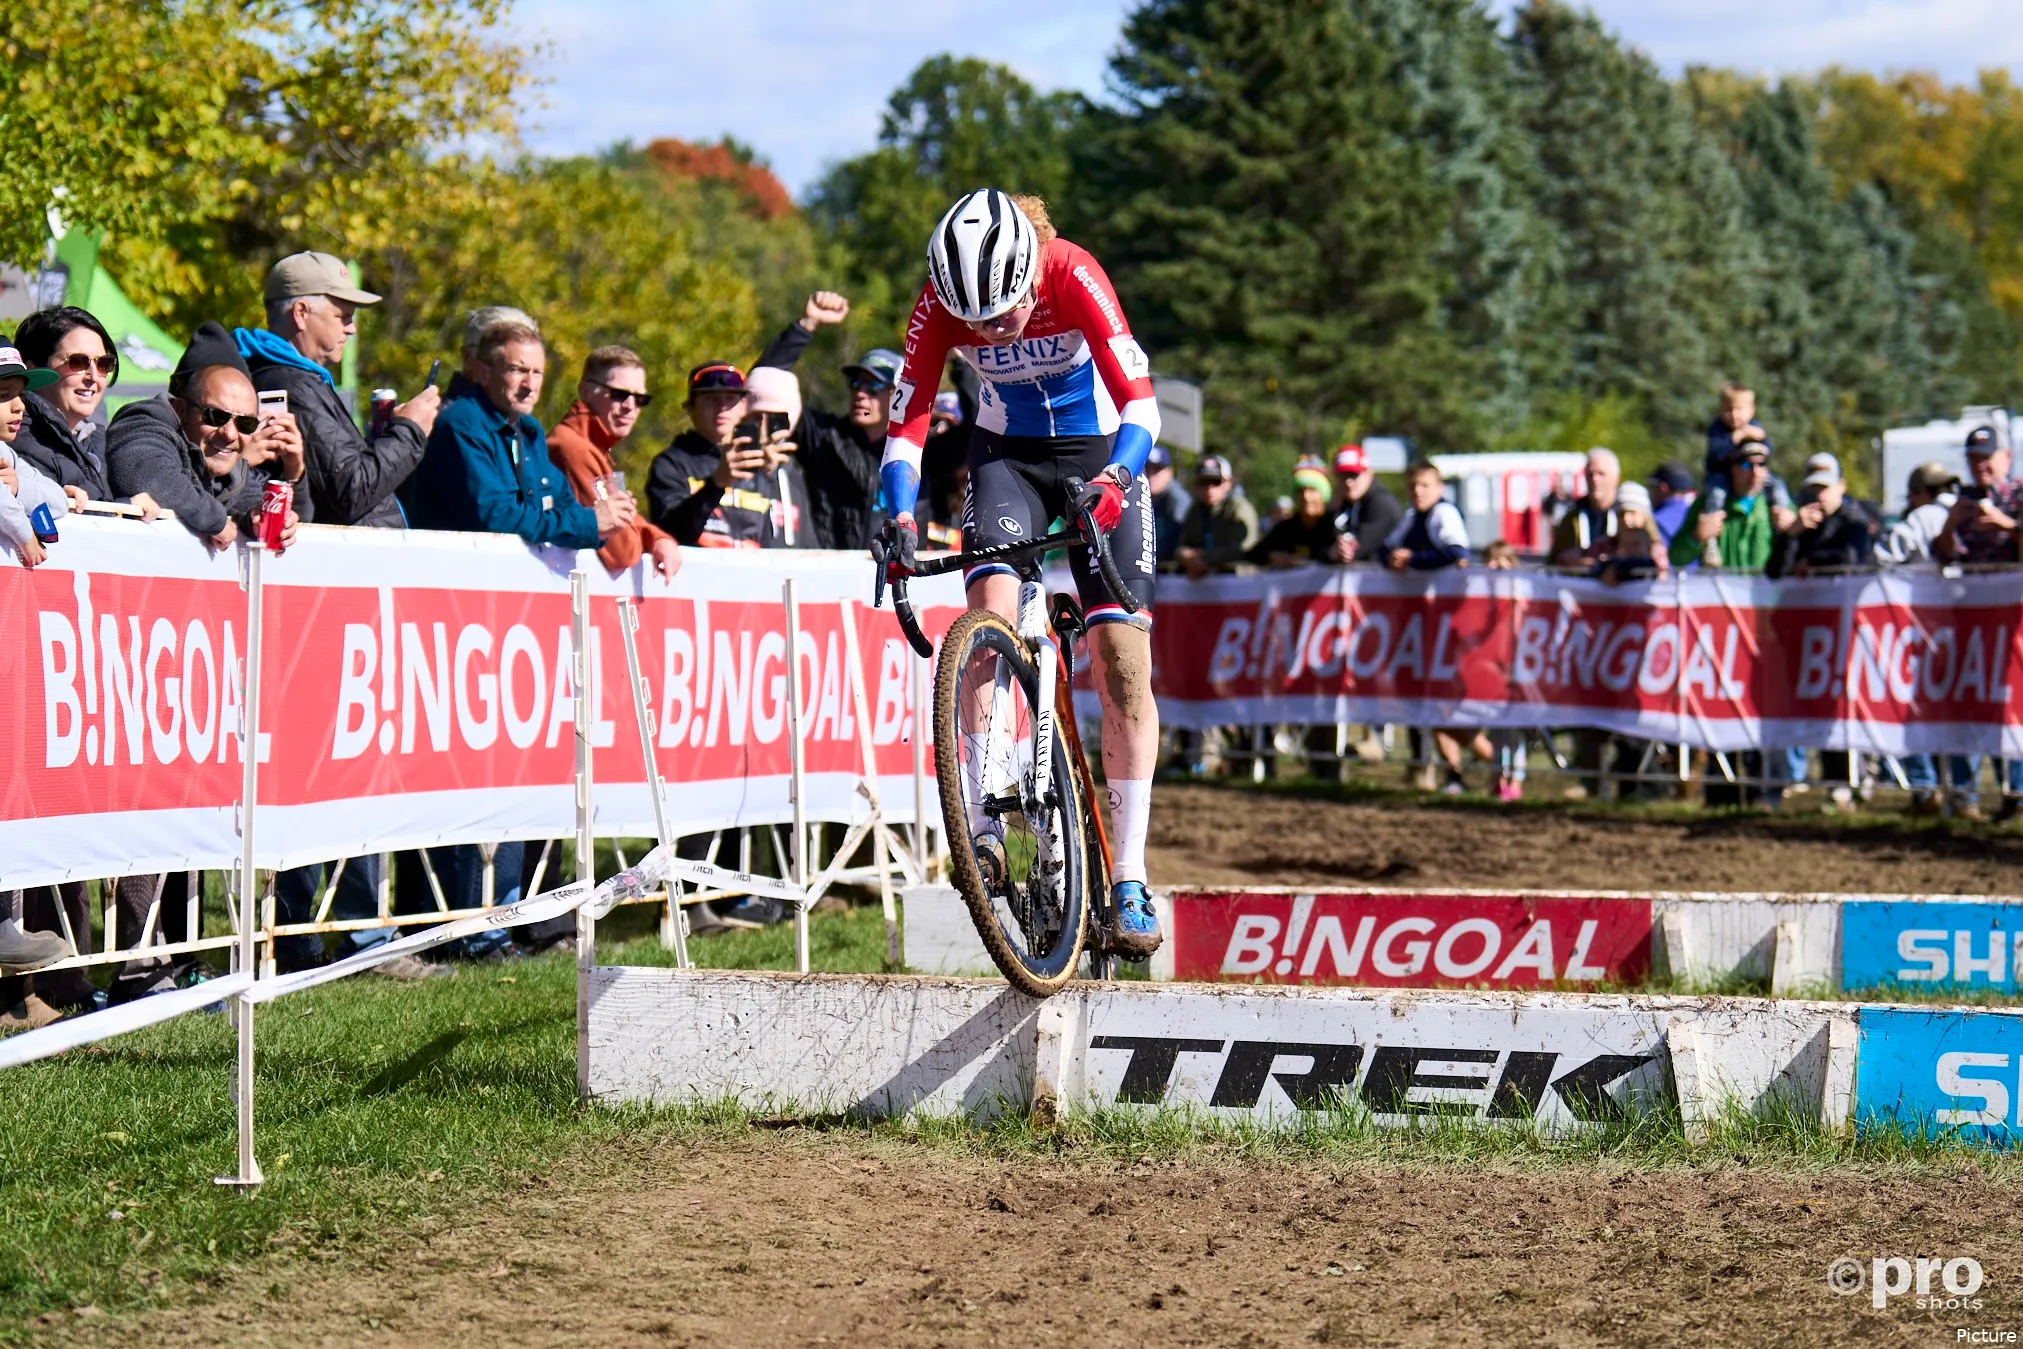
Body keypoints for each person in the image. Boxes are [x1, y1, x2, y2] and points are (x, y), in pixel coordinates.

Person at [872, 189, 1166, 956]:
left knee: (1122, 662)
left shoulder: (1071, 271)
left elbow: (1141, 403)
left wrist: (1116, 481)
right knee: (984, 627)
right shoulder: (941, 302)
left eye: (1002, 313)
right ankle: (987, 820)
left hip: (1102, 452)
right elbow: (905, 422)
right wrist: (896, 510)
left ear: (1031, 270)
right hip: (1006, 459)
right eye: (976, 323)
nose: (989, 331)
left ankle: (1130, 875)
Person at [409, 318, 637, 959]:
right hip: (453, 621)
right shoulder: (460, 424)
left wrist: (563, 521)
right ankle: (454, 928)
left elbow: (533, 509)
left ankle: (507, 918)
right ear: (481, 368)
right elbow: (497, 514)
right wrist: (581, 521)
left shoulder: (529, 431)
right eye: (515, 369)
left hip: (512, 627)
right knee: (459, 777)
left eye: (536, 371)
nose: (528, 382)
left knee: (513, 773)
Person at [236, 251, 436, 528]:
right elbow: (351, 493)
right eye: (343, 316)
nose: (352, 328)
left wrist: (384, 438)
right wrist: (409, 431)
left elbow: (338, 478)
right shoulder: (292, 385)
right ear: (301, 313)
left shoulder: (299, 379)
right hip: (352, 564)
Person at [106, 323, 306, 550]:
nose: (230, 433)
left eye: (246, 423)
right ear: (181, 409)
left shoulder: (228, 464)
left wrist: (257, 520)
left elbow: (250, 500)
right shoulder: (144, 420)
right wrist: (216, 520)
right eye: (215, 416)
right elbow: (147, 472)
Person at [548, 344, 681, 578]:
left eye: (640, 398)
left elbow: (625, 521)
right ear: (585, 392)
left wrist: (656, 537)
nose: (630, 406)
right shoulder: (572, 449)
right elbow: (622, 551)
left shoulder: (595, 448)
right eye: (619, 394)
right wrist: (641, 536)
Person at [12, 306, 157, 516]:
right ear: (33, 370)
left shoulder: (97, 441)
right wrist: (126, 510)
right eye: (77, 362)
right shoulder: (19, 437)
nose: (93, 376)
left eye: (103, 364)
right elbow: (52, 523)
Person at [0, 344, 69, 568]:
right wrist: (25, 536)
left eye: (20, 394)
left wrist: (19, 487)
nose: (19, 405)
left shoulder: (6, 453)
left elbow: (59, 501)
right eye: (4, 395)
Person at [1670, 443, 1784, 572]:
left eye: (1761, 464)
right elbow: (1676, 558)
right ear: (1733, 468)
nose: (1755, 472)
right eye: (1746, 465)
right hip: (1719, 589)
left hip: (1762, 590)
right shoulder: (1709, 503)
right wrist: (1696, 537)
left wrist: (1791, 532)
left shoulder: (1776, 505)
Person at [1768, 457, 1875, 579]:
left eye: (1825, 487)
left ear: (1841, 486)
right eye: (1814, 488)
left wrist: (1811, 563)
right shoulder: (1804, 523)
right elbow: (1774, 572)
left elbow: (1852, 559)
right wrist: (1790, 534)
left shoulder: (1855, 520)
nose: (1819, 495)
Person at [1936, 426, 2023, 566]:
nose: (1979, 466)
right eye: (1973, 459)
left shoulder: (2018, 493)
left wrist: (2008, 526)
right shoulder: (1964, 499)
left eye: (1986, 458)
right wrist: (1950, 525)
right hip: (1976, 585)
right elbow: (1950, 557)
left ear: (2007, 457)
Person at [1700, 383, 1790, 516]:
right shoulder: (1718, 429)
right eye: (1728, 409)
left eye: (1739, 409)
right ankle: (1713, 517)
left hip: (1751, 474)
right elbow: (1715, 454)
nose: (1733, 414)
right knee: (1717, 493)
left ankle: (1781, 511)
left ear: (1751, 410)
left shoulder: (1754, 427)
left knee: (1776, 484)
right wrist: (1733, 439)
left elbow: (1768, 453)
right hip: (1721, 475)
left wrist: (1762, 438)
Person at [1171, 454, 1257, 578]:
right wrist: (1185, 555)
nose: (1209, 488)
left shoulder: (1239, 508)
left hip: (1238, 581)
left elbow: (1243, 548)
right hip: (1204, 582)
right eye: (1203, 482)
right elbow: (1182, 544)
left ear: (1228, 483)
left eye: (1216, 482)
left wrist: (1205, 558)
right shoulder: (1196, 510)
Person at [1246, 458, 1341, 567]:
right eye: (1300, 491)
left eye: (1312, 490)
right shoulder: (1286, 528)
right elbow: (1253, 554)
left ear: (1323, 494)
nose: (1306, 497)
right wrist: (1271, 557)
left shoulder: (1334, 525)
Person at [1384, 462, 1470, 570]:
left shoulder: (1444, 512)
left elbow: (1457, 552)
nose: (1417, 491)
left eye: (1425, 485)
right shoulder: (1411, 516)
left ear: (1440, 488)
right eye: (1412, 486)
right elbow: (1386, 548)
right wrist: (1392, 559)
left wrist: (1412, 558)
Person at [1328, 441, 1402, 563]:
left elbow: (1358, 548)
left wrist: (1339, 550)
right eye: (1343, 476)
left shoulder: (1382, 504)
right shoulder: (1345, 503)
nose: (1348, 482)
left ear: (1368, 474)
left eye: (1353, 475)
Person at [1550, 447, 1622, 568]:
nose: (1595, 479)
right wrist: (1571, 560)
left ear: (1616, 478)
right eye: (1590, 474)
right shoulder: (1573, 517)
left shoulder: (1629, 515)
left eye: (1601, 474)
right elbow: (1553, 561)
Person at [1876, 462, 1959, 567]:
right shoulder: (1914, 522)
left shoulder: (1965, 516)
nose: (1943, 495)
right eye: (1934, 490)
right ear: (1914, 494)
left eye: (1948, 488)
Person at [1592, 482, 1666, 585]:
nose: (1626, 519)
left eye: (1632, 513)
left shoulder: (1657, 551)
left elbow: (1661, 578)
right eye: (1621, 514)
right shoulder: (1604, 546)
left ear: (1645, 516)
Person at [1145, 444, 1190, 563]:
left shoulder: (1178, 500)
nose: (1150, 476)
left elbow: (1173, 544)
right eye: (1146, 469)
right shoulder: (1149, 498)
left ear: (1169, 473)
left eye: (1156, 470)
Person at [1647, 462, 1694, 548]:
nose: (1651, 491)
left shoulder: (1656, 522)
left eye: (1653, 486)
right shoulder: (1696, 518)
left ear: (1663, 488)